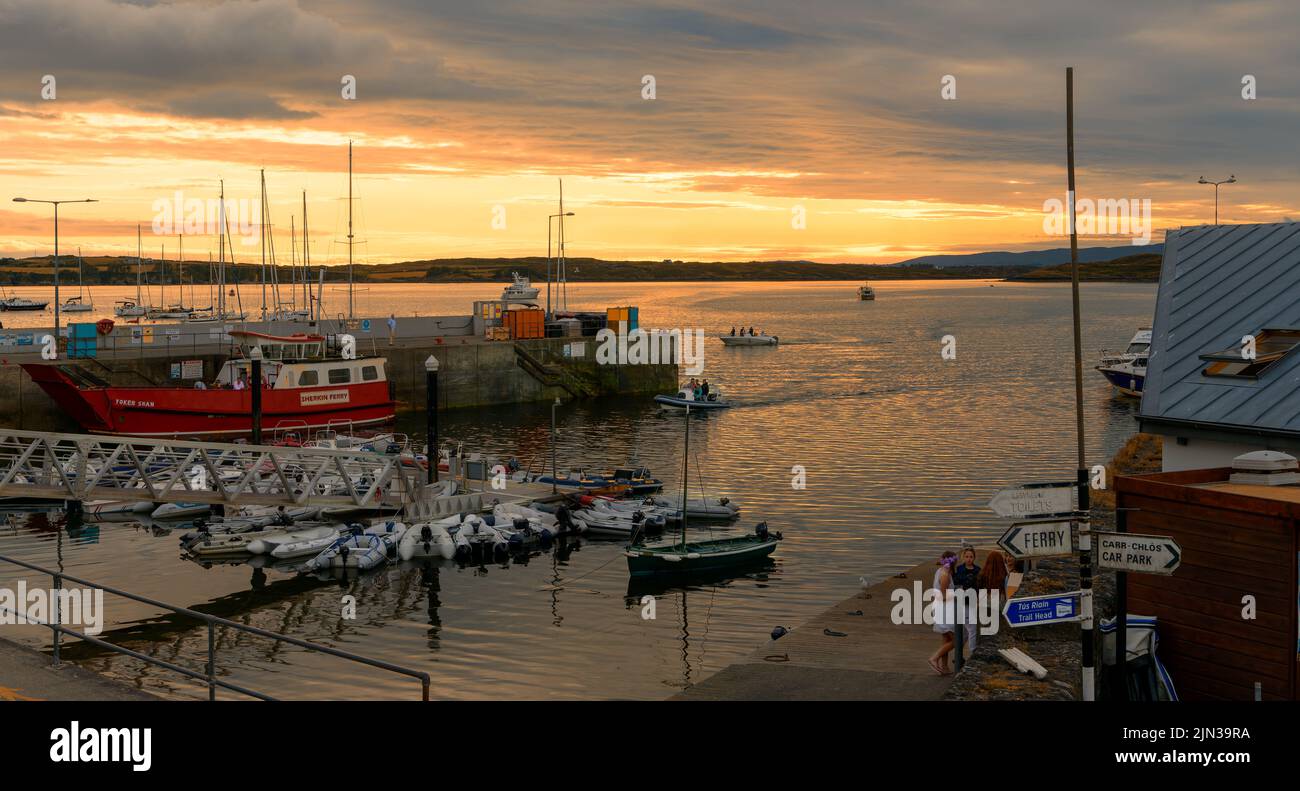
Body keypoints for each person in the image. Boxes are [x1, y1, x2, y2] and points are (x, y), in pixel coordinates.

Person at [929, 551, 958, 675]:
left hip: (942, 609)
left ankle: (945, 667)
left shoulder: (939, 571)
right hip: (945, 610)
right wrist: (958, 595)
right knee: (958, 640)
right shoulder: (945, 575)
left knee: (946, 639)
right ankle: (934, 658)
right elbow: (943, 596)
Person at [951, 546, 981, 653]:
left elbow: (979, 586)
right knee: (972, 629)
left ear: (974, 558)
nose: (969, 559)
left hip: (973, 601)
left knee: (965, 632)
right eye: (967, 556)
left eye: (971, 557)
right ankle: (973, 651)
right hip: (962, 602)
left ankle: (958, 653)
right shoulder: (959, 569)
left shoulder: (978, 570)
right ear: (963, 557)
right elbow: (956, 583)